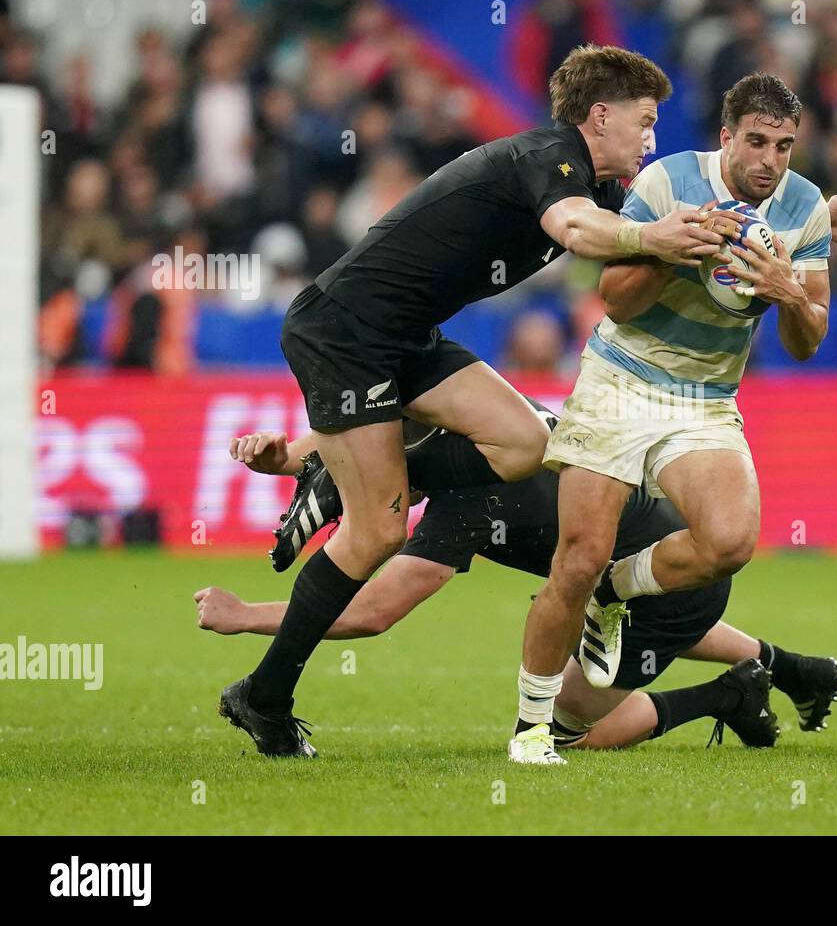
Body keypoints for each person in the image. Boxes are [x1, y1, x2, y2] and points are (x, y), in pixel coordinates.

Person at [217, 44, 741, 759]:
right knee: (379, 534)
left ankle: (336, 484)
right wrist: (655, 237)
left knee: (526, 444)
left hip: (406, 337)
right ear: (599, 116)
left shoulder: (601, 190)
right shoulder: (550, 157)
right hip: (345, 329)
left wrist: (801, 224)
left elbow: (655, 227)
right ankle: (265, 698)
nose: (652, 140)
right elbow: (576, 232)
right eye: (644, 122)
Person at [516, 73, 837, 764]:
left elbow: (808, 343)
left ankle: (617, 589)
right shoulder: (666, 183)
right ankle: (532, 731)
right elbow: (617, 301)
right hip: (621, 382)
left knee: (729, 543)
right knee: (574, 558)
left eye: (783, 146)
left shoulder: (805, 209)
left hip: (706, 398)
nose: (769, 161)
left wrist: (787, 294)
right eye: (756, 142)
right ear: (726, 138)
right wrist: (678, 248)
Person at [213, 400, 837, 756]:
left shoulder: (463, 508)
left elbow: (370, 613)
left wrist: (245, 616)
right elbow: (382, 415)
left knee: (575, 727)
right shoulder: (495, 428)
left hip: (669, 592)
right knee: (608, 601)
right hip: (659, 562)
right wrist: (293, 457)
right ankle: (792, 670)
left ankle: (730, 696)